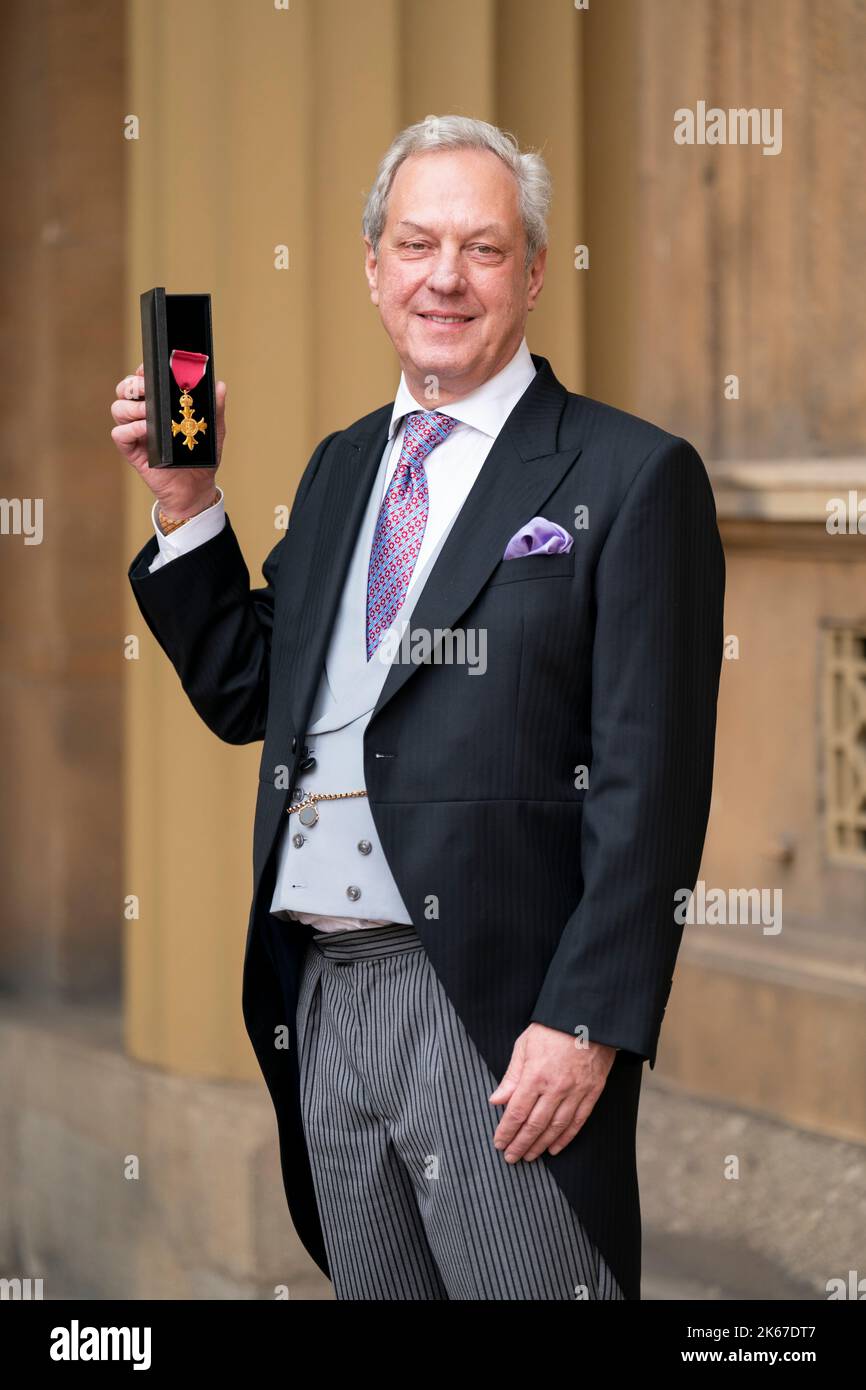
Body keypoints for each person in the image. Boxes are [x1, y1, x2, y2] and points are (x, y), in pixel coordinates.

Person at [112, 115, 725, 1301]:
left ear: (532, 273)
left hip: (491, 1015)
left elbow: (651, 781)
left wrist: (585, 1018)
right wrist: (187, 501)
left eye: (482, 249)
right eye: (416, 244)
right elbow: (252, 692)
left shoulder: (630, 476)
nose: (445, 276)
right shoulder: (342, 467)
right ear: (372, 267)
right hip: (323, 996)